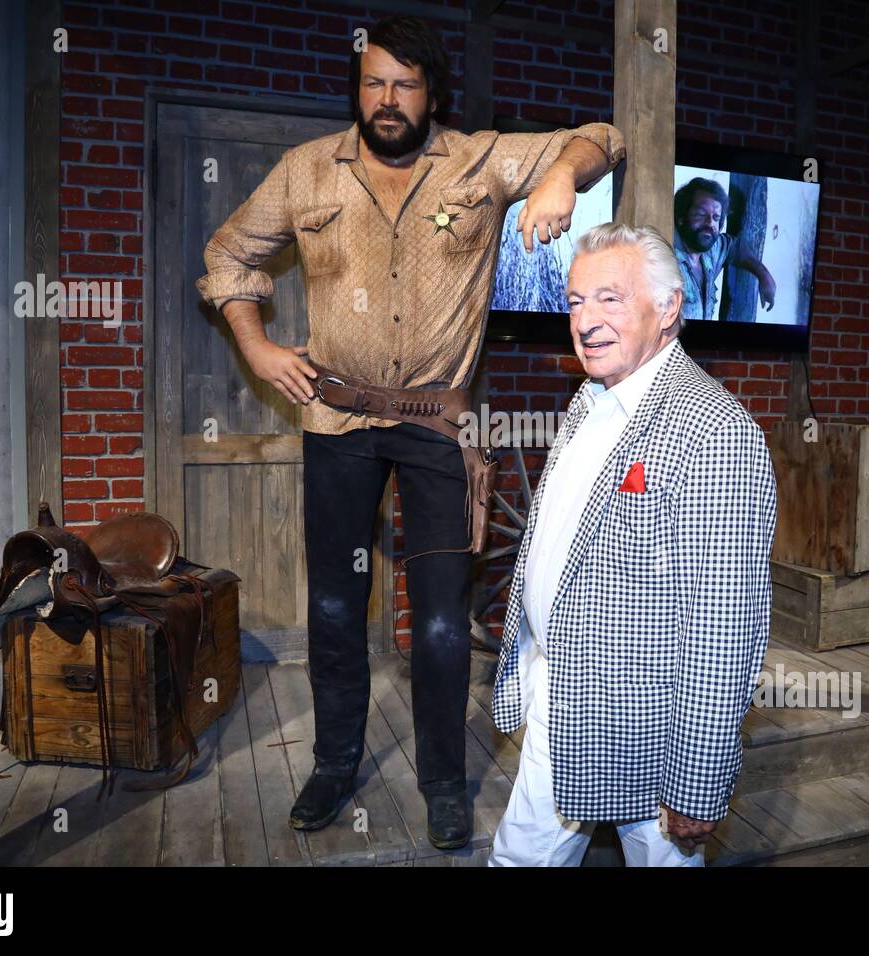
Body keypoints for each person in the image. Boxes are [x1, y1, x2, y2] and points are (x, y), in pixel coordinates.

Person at [193, 15, 625, 850]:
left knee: (436, 618)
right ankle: (334, 763)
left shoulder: (479, 157)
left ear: (432, 94)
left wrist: (559, 179)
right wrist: (256, 346)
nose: (388, 100)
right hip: (336, 418)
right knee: (332, 603)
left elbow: (600, 136)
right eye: (373, 82)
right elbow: (227, 255)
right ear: (358, 89)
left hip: (437, 429)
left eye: (406, 84)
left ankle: (441, 781)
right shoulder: (306, 170)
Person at [487, 223, 777, 866]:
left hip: (645, 733)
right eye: (575, 302)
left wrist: (697, 783)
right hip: (560, 698)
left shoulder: (713, 432)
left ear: (668, 308)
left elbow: (724, 627)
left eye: (610, 299)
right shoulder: (590, 401)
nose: (586, 320)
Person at [673, 177, 776, 322]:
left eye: (716, 217)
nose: (710, 223)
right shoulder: (666, 258)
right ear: (681, 218)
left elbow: (734, 248)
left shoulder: (712, 250)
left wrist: (764, 275)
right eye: (701, 215)